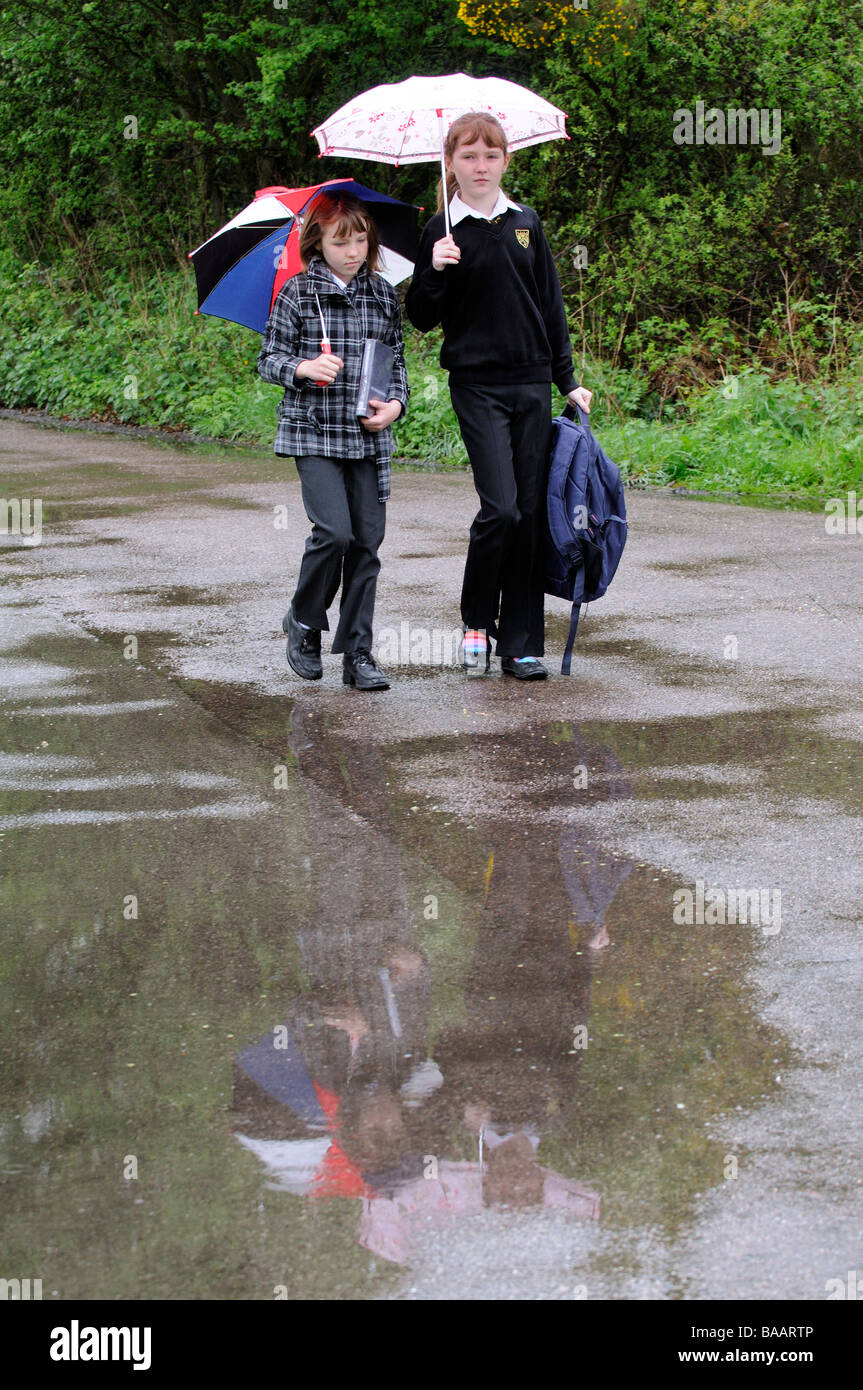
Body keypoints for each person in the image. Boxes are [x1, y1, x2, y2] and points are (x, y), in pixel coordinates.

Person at [405, 112, 592, 680]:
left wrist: (568, 380)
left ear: (505, 160)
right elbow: (419, 317)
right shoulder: (441, 233)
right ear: (450, 165)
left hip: (532, 381)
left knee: (530, 512)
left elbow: (551, 308)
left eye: (490, 155)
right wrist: (433, 271)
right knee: (501, 507)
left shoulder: (525, 223)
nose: (479, 166)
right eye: (468, 156)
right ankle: (476, 622)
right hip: (477, 385)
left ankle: (520, 643)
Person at [257, 192, 409, 690]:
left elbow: (398, 366)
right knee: (335, 534)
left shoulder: (384, 295)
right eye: (341, 241)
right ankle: (303, 620)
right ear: (318, 243)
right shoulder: (298, 294)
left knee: (367, 543)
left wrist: (395, 406)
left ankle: (358, 653)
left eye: (361, 239)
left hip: (366, 437)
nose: (353, 250)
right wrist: (303, 367)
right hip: (314, 433)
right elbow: (268, 359)